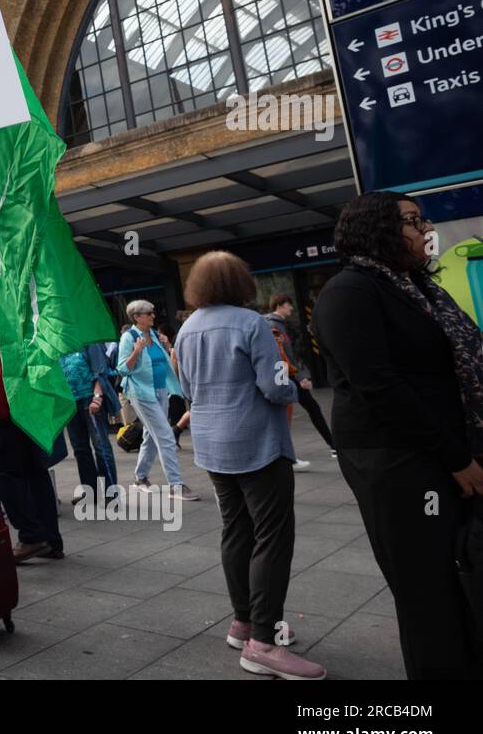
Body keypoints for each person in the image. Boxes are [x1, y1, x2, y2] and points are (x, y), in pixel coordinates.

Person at [312, 191, 483, 679]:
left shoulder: (417, 287)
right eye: (412, 221)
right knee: (426, 592)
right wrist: (456, 459)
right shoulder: (350, 292)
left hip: (439, 452)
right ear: (377, 229)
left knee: (458, 578)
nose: (425, 229)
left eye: (422, 220)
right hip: (397, 463)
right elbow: (379, 386)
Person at [176, 252, 324, 680]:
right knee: (272, 536)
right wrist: (293, 387)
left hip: (212, 445)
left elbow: (186, 388)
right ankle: (263, 641)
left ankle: (244, 622)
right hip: (257, 442)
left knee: (236, 529)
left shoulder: (187, 327)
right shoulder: (252, 324)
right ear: (242, 283)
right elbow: (275, 387)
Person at [0, 277, 65, 561]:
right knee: (34, 474)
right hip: (26, 412)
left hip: (12, 415)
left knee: (2, 473)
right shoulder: (6, 326)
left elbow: (5, 378)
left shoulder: (3, 327)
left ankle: (31, 535)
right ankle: (49, 539)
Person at [117, 300, 198, 500]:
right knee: (166, 437)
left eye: (153, 312)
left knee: (151, 436)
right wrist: (136, 351)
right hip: (142, 394)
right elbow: (122, 369)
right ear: (137, 317)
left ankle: (140, 478)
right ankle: (175, 485)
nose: (153, 316)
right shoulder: (129, 337)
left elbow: (161, 361)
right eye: (149, 313)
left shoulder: (152, 334)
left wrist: (167, 346)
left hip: (161, 391)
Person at [264, 293, 333, 468]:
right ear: (279, 305)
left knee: (303, 410)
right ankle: (289, 457)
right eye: (288, 305)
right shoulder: (274, 325)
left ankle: (329, 446)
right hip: (287, 376)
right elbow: (281, 355)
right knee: (290, 414)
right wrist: (298, 376)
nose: (291, 308)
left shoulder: (279, 324)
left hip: (288, 375)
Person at [60, 344, 120, 503]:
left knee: (101, 447)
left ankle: (111, 493)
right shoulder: (60, 343)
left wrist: (97, 397)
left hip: (90, 400)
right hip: (71, 403)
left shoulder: (89, 340)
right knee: (80, 450)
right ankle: (90, 492)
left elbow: (100, 371)